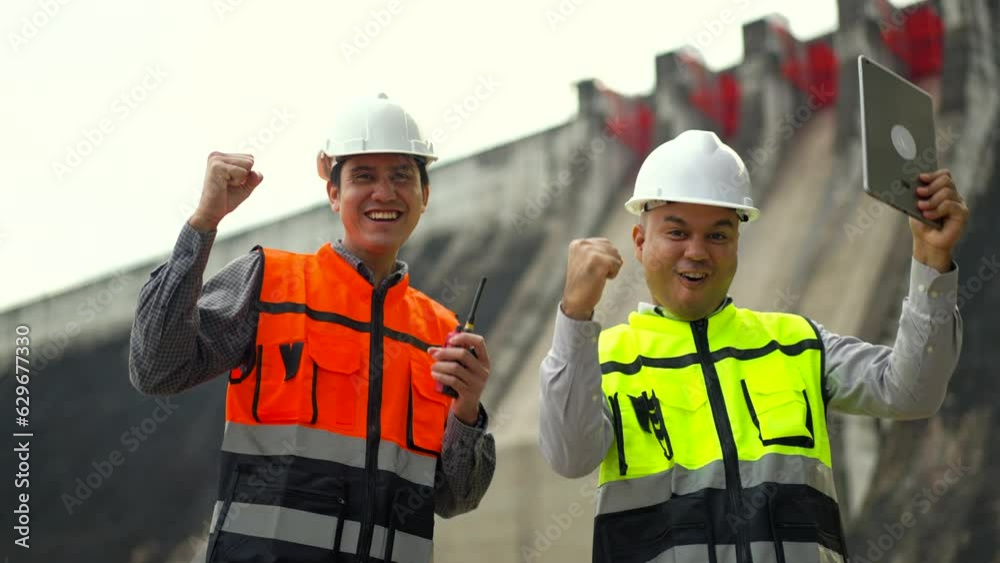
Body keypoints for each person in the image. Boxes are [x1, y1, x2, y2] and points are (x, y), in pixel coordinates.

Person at [538, 130, 967, 563]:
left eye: (718, 236)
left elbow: (913, 391)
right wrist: (575, 316)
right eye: (677, 232)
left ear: (737, 243)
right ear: (639, 241)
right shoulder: (603, 359)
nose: (697, 252)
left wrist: (931, 258)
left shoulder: (796, 343)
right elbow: (569, 455)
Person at [129, 94, 496, 563]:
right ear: (334, 193)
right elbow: (157, 368)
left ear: (424, 195)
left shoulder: (440, 332)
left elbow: (455, 499)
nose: (384, 193)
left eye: (401, 175)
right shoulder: (271, 283)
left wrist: (467, 411)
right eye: (363, 176)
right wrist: (203, 223)